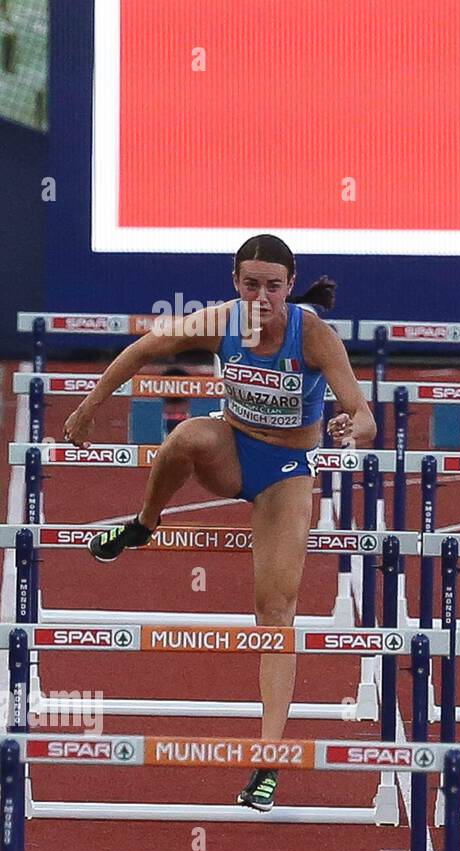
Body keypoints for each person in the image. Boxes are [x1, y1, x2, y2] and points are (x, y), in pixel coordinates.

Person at [63, 234, 376, 812]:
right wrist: (89, 405)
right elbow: (141, 350)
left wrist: (356, 428)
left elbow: (362, 412)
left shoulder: (313, 335)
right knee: (185, 435)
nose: (261, 297)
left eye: (273, 287)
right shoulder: (219, 321)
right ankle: (143, 522)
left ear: (290, 285)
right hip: (231, 452)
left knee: (276, 612)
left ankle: (268, 760)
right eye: (250, 284)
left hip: (285, 471)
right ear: (235, 281)